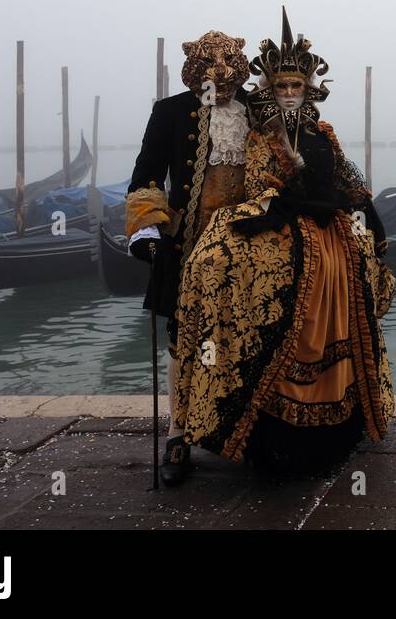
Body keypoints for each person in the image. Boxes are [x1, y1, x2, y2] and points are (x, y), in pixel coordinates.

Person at [171, 8, 395, 478]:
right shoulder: (261, 136)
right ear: (270, 90)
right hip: (284, 222)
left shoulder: (323, 133)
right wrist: (291, 185)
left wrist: (366, 216)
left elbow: (349, 182)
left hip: (329, 229)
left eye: (297, 87)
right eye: (282, 87)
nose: (290, 94)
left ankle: (336, 425)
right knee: (219, 263)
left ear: (308, 90)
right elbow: (258, 184)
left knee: (349, 271)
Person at [125, 30, 252, 486]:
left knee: (249, 333)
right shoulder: (171, 112)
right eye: (213, 73)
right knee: (184, 336)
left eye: (231, 73)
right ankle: (179, 433)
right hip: (190, 244)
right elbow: (146, 176)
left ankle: (243, 428)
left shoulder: (257, 111)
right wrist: (147, 231)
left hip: (252, 241)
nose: (223, 82)